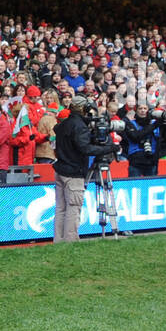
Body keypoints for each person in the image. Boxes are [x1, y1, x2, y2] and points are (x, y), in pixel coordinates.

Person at [52, 96, 114, 243]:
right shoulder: (79, 126)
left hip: (60, 170)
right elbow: (85, 148)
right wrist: (109, 148)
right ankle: (71, 240)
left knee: (61, 208)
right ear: (84, 108)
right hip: (74, 173)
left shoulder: (64, 124)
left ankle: (58, 240)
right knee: (73, 208)